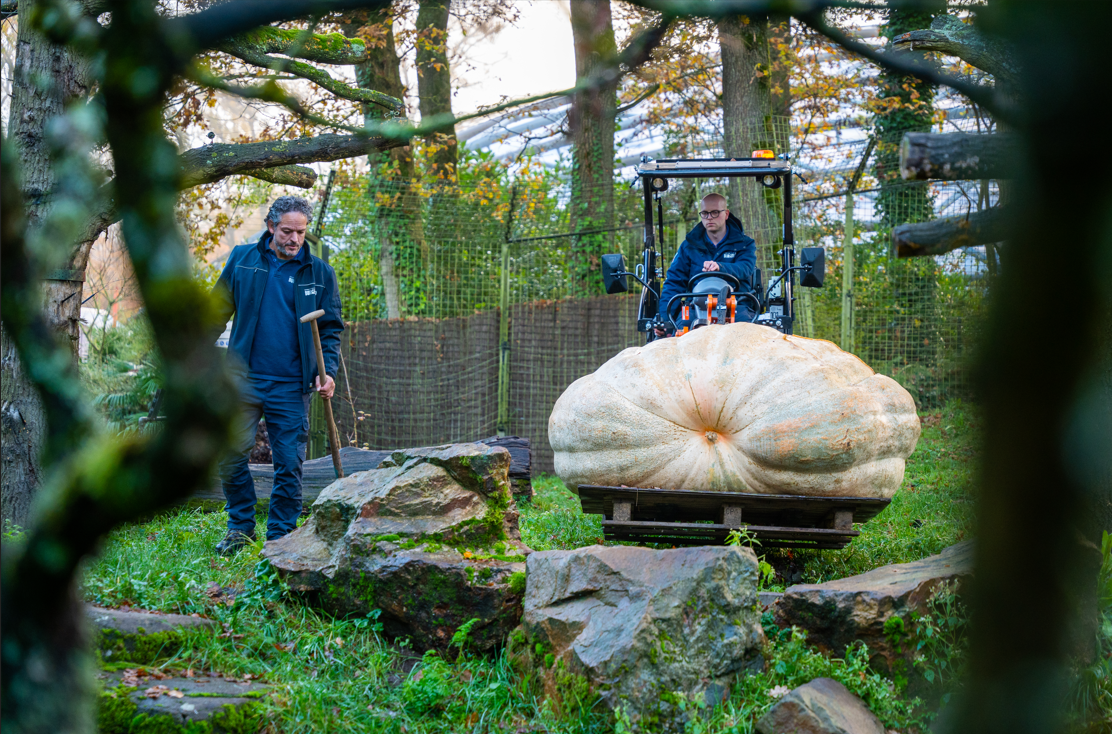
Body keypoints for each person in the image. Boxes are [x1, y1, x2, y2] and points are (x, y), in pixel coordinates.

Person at [210, 196, 344, 555]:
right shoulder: (242, 260)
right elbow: (215, 314)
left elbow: (330, 330)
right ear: (271, 226)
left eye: (301, 232)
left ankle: (281, 534)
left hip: (291, 385)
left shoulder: (318, 273)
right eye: (287, 231)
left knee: (288, 462)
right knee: (231, 453)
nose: (295, 239)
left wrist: (327, 372)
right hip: (243, 379)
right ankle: (239, 527)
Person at [655, 193, 757, 336]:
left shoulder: (744, 244)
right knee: (681, 330)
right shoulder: (689, 246)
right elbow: (674, 282)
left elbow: (745, 268)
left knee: (747, 334)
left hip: (736, 304)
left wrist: (720, 267)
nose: (709, 217)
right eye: (705, 213)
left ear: (726, 214)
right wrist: (664, 319)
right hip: (695, 305)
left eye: (715, 212)